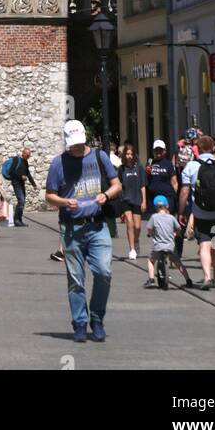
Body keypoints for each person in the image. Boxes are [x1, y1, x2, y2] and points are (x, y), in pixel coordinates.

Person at [45, 120, 121, 343]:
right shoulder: (58, 163)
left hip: (97, 225)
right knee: (76, 279)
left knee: (104, 272)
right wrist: (63, 202)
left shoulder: (100, 157)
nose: (76, 148)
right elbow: (49, 195)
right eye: (72, 145)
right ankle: (79, 322)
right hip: (71, 228)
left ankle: (97, 318)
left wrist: (106, 195)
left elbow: (117, 185)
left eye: (79, 144)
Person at [178, 133, 215, 289]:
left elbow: (184, 192)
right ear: (212, 148)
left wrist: (181, 211)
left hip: (201, 214)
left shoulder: (191, 166)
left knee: (204, 245)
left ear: (198, 148)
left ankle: (207, 278)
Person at [144, 194, 193, 288]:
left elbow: (149, 229)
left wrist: (151, 234)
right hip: (170, 247)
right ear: (167, 206)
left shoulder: (154, 217)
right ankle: (188, 280)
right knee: (178, 263)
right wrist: (176, 234)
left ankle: (151, 279)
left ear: (155, 207)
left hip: (158, 247)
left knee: (151, 260)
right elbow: (178, 229)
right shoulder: (171, 218)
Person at [117, 143, 146, 259]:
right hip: (126, 199)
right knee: (130, 222)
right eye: (127, 154)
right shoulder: (121, 169)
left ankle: (136, 240)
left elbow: (143, 185)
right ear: (124, 155)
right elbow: (118, 186)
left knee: (138, 226)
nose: (129, 156)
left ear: (134, 155)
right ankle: (132, 249)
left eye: (131, 154)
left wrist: (144, 201)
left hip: (137, 199)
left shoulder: (139, 168)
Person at [5, 146, 37, 227]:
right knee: (21, 201)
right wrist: (21, 176)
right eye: (27, 155)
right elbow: (11, 171)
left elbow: (28, 174)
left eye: (29, 155)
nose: (28, 156)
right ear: (23, 154)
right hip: (16, 183)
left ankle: (19, 220)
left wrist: (33, 184)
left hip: (21, 184)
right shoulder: (16, 159)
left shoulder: (25, 162)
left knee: (22, 202)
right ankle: (16, 220)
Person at [145, 140, 178, 212]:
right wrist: (147, 173)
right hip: (152, 197)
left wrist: (176, 197)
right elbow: (145, 181)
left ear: (165, 151)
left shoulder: (168, 164)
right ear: (153, 151)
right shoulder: (150, 163)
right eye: (156, 150)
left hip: (167, 197)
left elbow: (174, 181)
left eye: (160, 149)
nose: (158, 151)